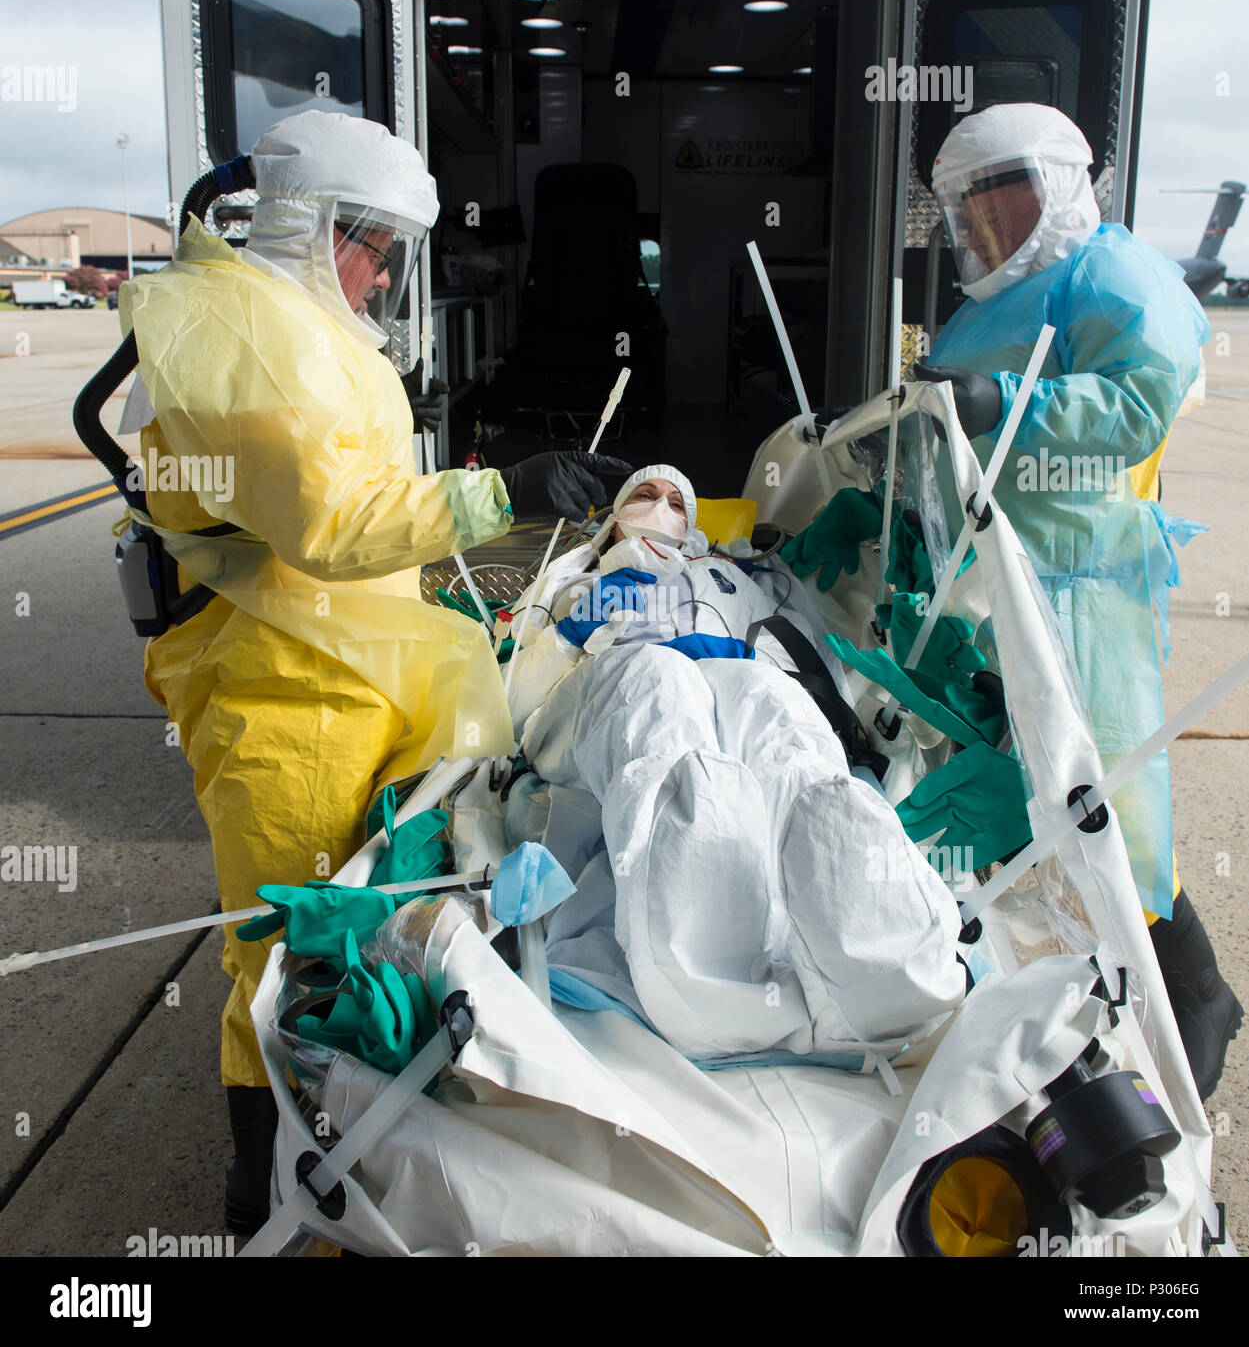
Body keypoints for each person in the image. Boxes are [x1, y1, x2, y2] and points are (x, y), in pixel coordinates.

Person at [118, 109, 629, 1229]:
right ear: (307, 222)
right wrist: (503, 492)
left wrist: (429, 594)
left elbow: (335, 520)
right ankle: (266, 1204)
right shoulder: (238, 328)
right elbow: (328, 517)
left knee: (346, 925)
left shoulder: (288, 322)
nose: (384, 272)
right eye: (373, 244)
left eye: (395, 252)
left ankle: (345, 1167)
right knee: (286, 952)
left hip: (328, 669)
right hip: (279, 691)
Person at [910, 102, 1240, 1099]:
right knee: (1031, 786)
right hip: (996, 578)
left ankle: (1189, 990)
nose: (985, 226)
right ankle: (1073, 984)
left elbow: (1137, 409)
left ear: (1054, 184)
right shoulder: (987, 301)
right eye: (969, 211)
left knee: (1106, 798)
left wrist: (1004, 408)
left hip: (1079, 585)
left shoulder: (1111, 271)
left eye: (1002, 198)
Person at [507, 466, 965, 1061]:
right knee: (659, 686)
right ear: (613, 519)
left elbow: (815, 668)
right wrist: (575, 626)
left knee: (775, 707)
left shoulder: (740, 575)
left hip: (735, 675)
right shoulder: (577, 578)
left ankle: (886, 972)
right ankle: (710, 986)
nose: (661, 507)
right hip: (606, 693)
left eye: (678, 502)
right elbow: (512, 702)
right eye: (644, 496)